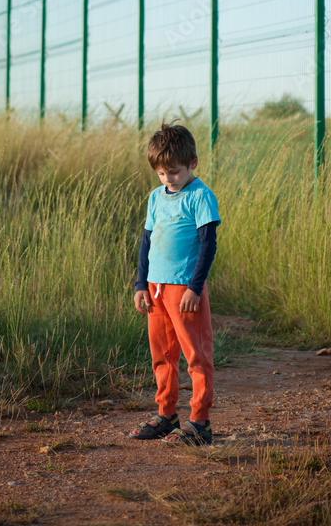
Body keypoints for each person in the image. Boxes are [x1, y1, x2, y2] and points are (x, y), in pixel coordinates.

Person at [128, 120, 220, 445]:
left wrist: (195, 288)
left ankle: (199, 423)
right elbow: (147, 241)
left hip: (185, 290)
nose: (169, 178)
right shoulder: (155, 197)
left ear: (193, 163)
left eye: (175, 172)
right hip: (156, 290)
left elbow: (208, 245)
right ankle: (166, 415)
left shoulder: (200, 197)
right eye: (162, 173)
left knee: (196, 354)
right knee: (162, 354)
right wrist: (141, 283)